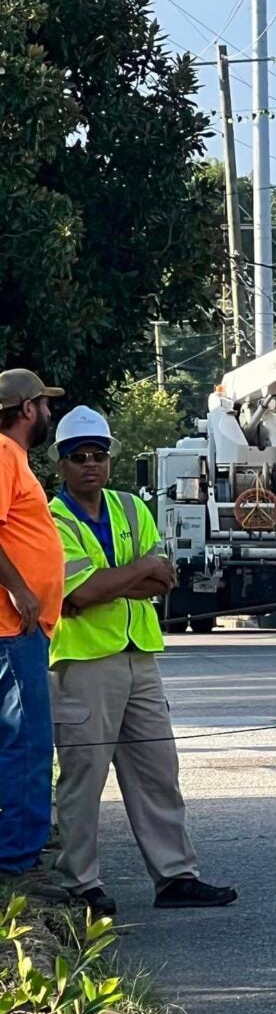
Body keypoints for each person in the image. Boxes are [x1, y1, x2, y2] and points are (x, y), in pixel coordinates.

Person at [48, 406, 237, 918]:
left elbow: (165, 578)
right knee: (83, 777)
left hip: (140, 659)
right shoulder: (51, 519)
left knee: (159, 771)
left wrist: (120, 580)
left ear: (110, 459)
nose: (91, 464)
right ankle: (79, 883)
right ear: (60, 465)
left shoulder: (132, 507)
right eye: (79, 456)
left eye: (99, 455)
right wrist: (137, 573)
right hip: (83, 662)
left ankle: (175, 877)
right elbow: (80, 594)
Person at [0, 369, 66, 881]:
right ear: (27, 409)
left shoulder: (12, 457)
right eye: (45, 405)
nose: (48, 414)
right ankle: (19, 866)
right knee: (26, 743)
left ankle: (17, 857)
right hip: (12, 628)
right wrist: (21, 589)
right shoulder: (2, 454)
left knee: (20, 742)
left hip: (20, 629)